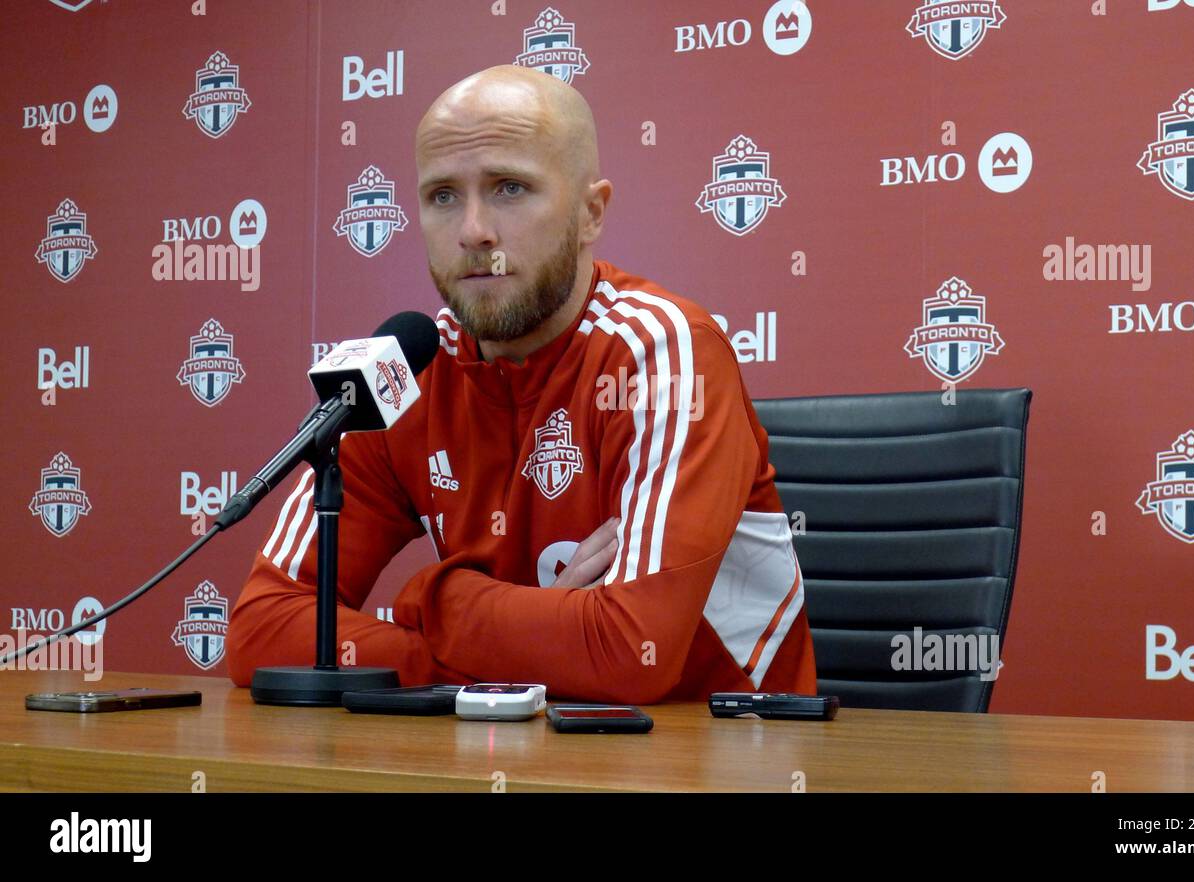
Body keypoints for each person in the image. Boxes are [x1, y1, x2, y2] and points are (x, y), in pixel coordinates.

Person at [225, 65, 817, 703]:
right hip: (511, 751)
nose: (474, 231)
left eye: (509, 188)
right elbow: (261, 630)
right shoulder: (400, 375)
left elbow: (628, 655)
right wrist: (493, 648)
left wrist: (434, 597)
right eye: (443, 195)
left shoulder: (663, 352)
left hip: (708, 755)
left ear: (591, 213)